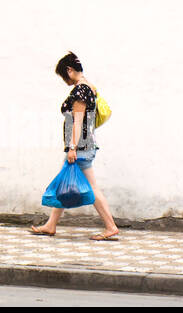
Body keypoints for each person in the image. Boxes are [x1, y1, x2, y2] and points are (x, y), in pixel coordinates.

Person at [30, 51, 120, 241]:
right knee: (65, 181)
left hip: (80, 147)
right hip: (86, 145)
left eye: (63, 76)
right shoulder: (90, 87)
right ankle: (51, 225)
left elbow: (78, 121)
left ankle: (111, 226)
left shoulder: (80, 91)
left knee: (91, 187)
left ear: (69, 70)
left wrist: (72, 148)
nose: (64, 80)